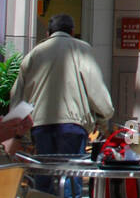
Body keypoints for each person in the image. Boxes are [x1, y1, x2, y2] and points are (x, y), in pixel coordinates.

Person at [8, 13, 113, 163]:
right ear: (72, 32)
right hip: (73, 125)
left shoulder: (34, 54)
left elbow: (17, 95)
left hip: (40, 125)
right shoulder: (82, 49)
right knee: (70, 175)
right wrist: (103, 117)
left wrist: (18, 130)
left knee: (44, 176)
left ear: (48, 33)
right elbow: (95, 89)